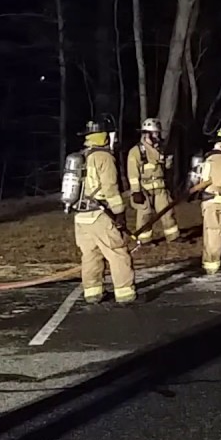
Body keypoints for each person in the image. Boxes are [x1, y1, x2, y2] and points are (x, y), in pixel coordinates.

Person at [71, 116, 136, 304]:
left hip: (81, 216)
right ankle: (125, 293)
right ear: (106, 136)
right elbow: (110, 188)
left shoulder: (82, 155)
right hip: (99, 214)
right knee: (117, 251)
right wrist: (119, 212)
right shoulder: (104, 157)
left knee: (90, 254)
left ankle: (92, 292)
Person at [126, 118, 179, 245]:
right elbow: (133, 174)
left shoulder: (160, 149)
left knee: (167, 211)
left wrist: (168, 161)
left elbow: (165, 169)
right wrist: (136, 191)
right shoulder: (136, 151)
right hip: (144, 189)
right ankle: (144, 240)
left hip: (160, 187)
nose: (158, 136)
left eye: (158, 133)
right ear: (147, 134)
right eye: (155, 133)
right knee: (145, 214)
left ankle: (173, 237)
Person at [197, 124, 221, 275]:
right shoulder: (220, 158)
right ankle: (214, 269)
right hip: (215, 202)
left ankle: (218, 263)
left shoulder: (214, 157)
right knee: (216, 235)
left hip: (215, 203)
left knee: (219, 234)